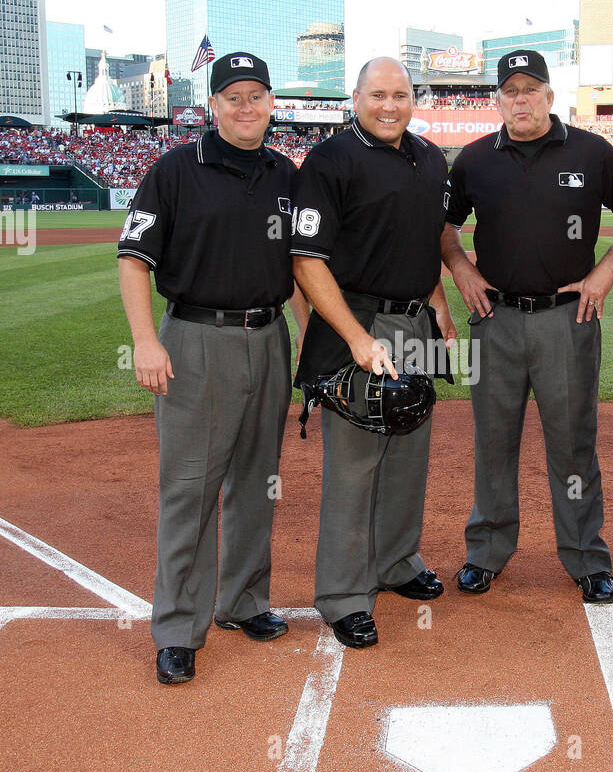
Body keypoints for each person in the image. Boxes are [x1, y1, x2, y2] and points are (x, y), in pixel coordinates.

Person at [117, 51, 307, 685]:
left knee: (257, 480)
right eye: (233, 96)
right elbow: (134, 259)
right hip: (196, 338)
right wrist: (147, 342)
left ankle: (244, 601)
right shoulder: (174, 171)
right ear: (213, 105)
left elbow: (301, 266)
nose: (246, 106)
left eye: (256, 95)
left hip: (268, 334)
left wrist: (306, 333)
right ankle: (177, 627)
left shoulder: (286, 173)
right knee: (191, 489)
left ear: (272, 102)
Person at [441, 49, 613, 603]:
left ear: (549, 96)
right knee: (493, 442)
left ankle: (586, 558)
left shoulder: (589, 149)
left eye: (529, 90)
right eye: (510, 91)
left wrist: (604, 274)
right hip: (495, 319)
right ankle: (486, 551)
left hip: (567, 319)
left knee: (573, 443)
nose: (520, 100)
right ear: (498, 100)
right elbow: (444, 225)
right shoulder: (475, 159)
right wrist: (461, 268)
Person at [290, 57, 455, 650]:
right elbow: (306, 260)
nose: (390, 105)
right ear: (357, 97)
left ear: (415, 99)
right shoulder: (332, 160)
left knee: (409, 450)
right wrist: (356, 339)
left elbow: (425, 241)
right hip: (357, 318)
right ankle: (341, 595)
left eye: (401, 95)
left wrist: (440, 309)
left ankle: (396, 561)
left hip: (414, 319)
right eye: (378, 95)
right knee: (355, 465)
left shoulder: (431, 159)